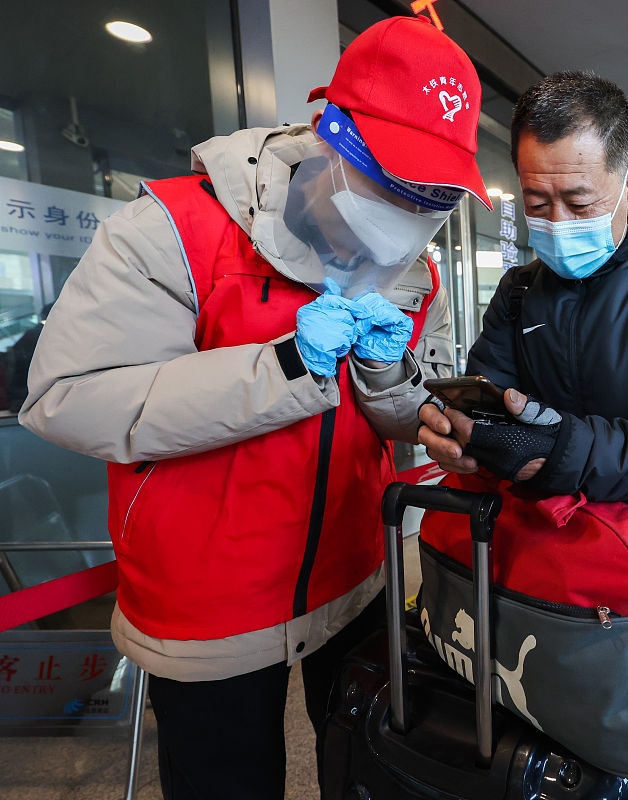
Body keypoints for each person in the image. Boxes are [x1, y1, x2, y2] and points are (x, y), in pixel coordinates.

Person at [19, 16, 492, 798]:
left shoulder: (413, 274)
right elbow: (65, 400)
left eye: (433, 195)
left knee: (365, 774)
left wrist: (392, 383)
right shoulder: (173, 229)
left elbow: (400, 417)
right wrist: (283, 366)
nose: (409, 211)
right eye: (394, 180)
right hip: (210, 605)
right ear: (328, 133)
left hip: (357, 578)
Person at [418, 70, 628, 594]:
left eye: (579, 204)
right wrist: (462, 435)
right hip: (555, 556)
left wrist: (562, 452)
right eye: (536, 204)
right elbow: (488, 403)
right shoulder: (518, 290)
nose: (556, 222)